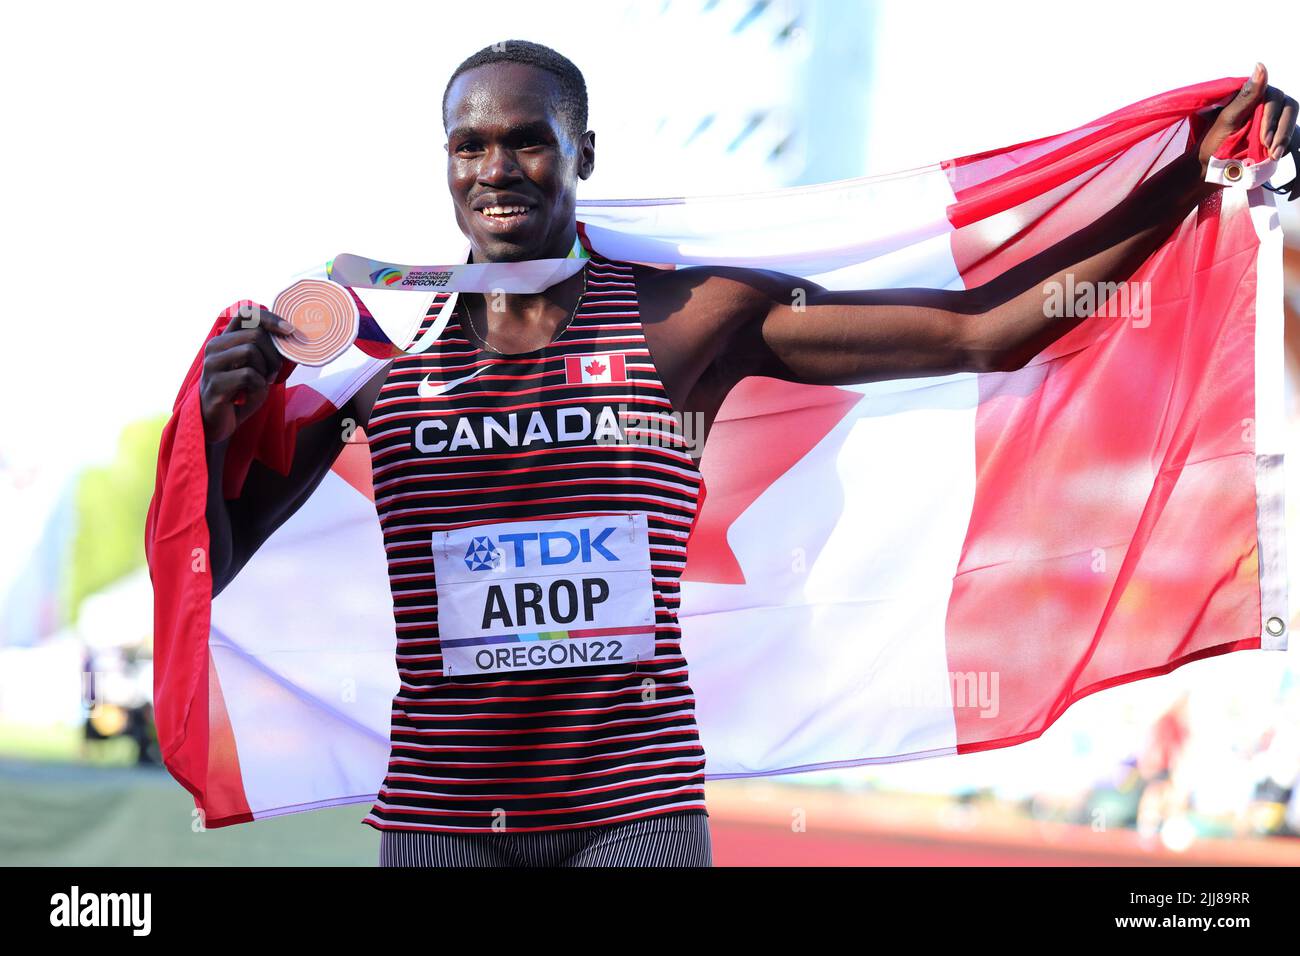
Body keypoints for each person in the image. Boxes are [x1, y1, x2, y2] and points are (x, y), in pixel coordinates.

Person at [195, 41, 1298, 867]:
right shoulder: (379, 343)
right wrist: (214, 424)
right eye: (469, 144)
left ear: (581, 152)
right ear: (443, 163)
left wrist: (1180, 174)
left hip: (632, 809)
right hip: (441, 813)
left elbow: (982, 329)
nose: (498, 167)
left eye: (527, 138)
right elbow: (222, 555)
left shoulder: (689, 320)